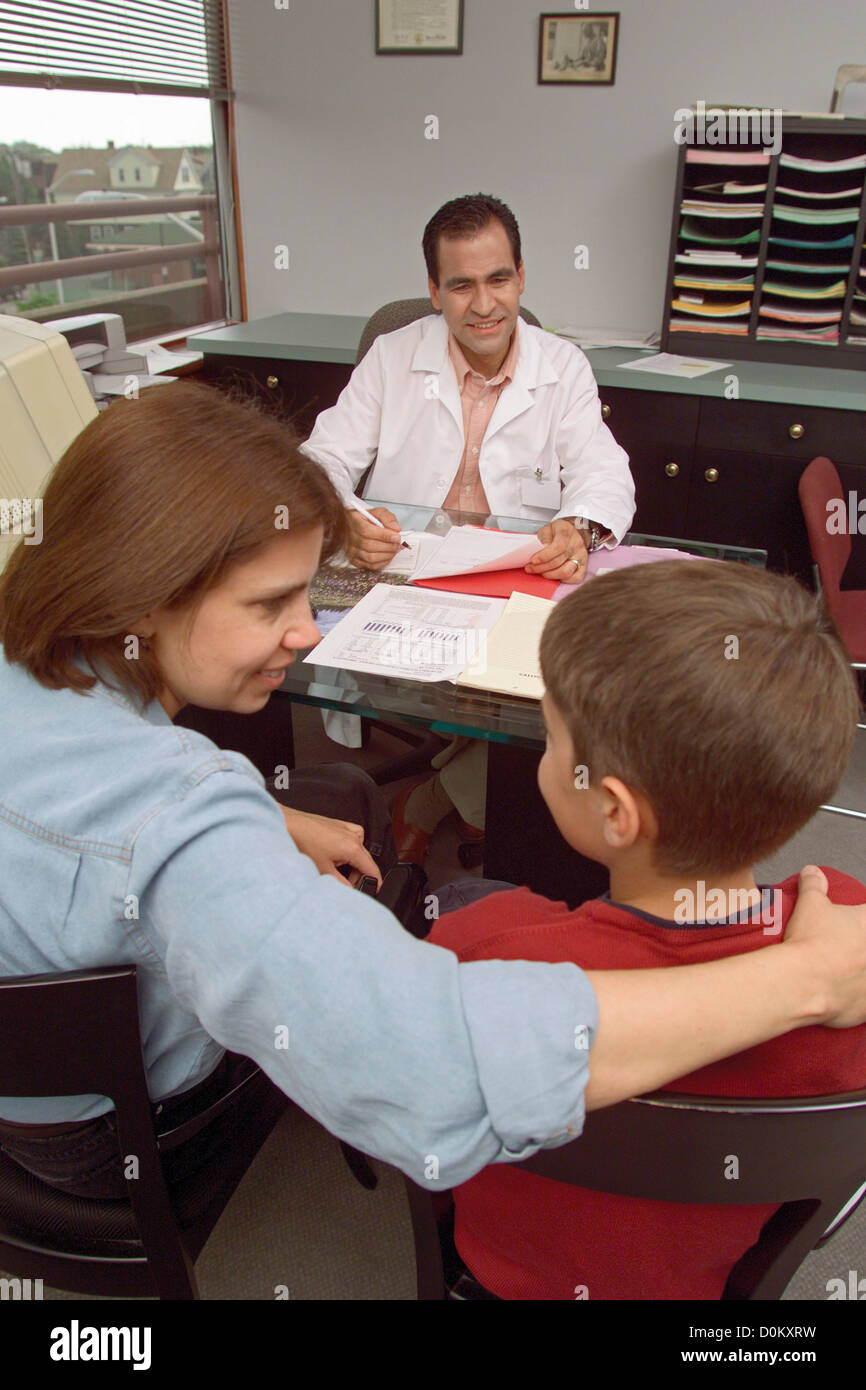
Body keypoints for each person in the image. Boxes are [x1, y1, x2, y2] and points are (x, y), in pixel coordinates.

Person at [2, 383, 866, 1207]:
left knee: (335, 792)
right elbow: (429, 1060)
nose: (305, 632)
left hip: (27, 1091)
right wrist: (811, 976)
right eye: (270, 604)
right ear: (143, 598)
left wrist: (266, 818)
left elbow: (94, 823)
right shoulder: (187, 815)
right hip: (109, 1143)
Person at [428, 559, 866, 1300]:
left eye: (551, 738)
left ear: (614, 811)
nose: (544, 754)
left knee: (467, 894)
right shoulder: (848, 933)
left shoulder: (485, 947)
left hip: (505, 1266)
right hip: (702, 1283)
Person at [301, 192, 635, 855]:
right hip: (405, 578)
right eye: (461, 285)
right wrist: (348, 518)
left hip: (514, 580)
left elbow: (605, 471)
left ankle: (435, 796)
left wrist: (578, 526)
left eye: (498, 279)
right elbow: (320, 458)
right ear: (433, 290)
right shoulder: (393, 357)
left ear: (521, 276)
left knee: (575, 693)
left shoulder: (561, 365)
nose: (483, 304)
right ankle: (472, 789)